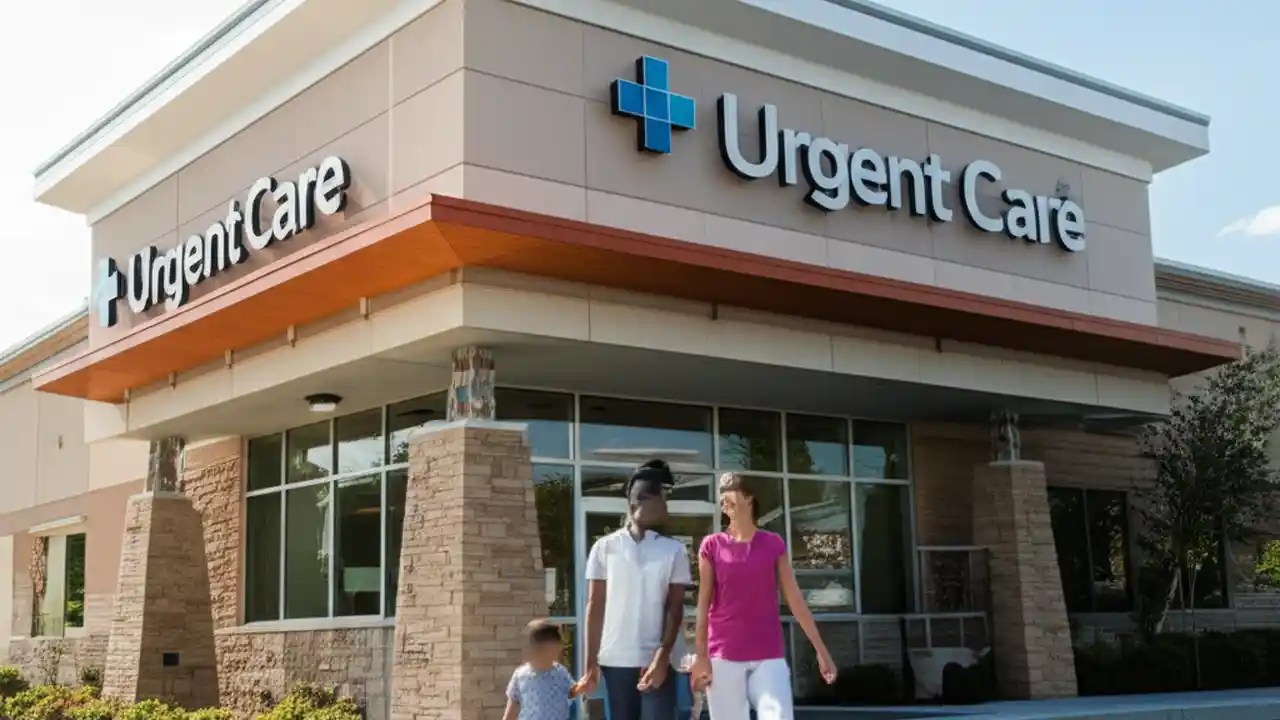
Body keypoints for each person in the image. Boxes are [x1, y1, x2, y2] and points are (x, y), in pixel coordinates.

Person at [689, 473, 837, 720]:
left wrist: (821, 650)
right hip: (724, 654)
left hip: (768, 653)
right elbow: (703, 605)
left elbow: (795, 599)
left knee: (779, 716)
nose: (723, 499)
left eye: (729, 490)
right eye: (721, 494)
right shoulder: (712, 546)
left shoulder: (772, 544)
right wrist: (701, 657)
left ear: (749, 497)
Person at [573, 459, 691, 720]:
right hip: (615, 662)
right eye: (661, 498)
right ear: (640, 500)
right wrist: (590, 663)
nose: (665, 506)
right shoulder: (604, 548)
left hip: (655, 661)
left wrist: (662, 657)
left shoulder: (674, 550)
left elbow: (675, 609)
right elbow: (595, 607)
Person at [504, 620, 575, 720]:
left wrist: (582, 687)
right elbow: (512, 707)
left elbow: (571, 692)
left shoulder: (560, 673)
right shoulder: (520, 675)